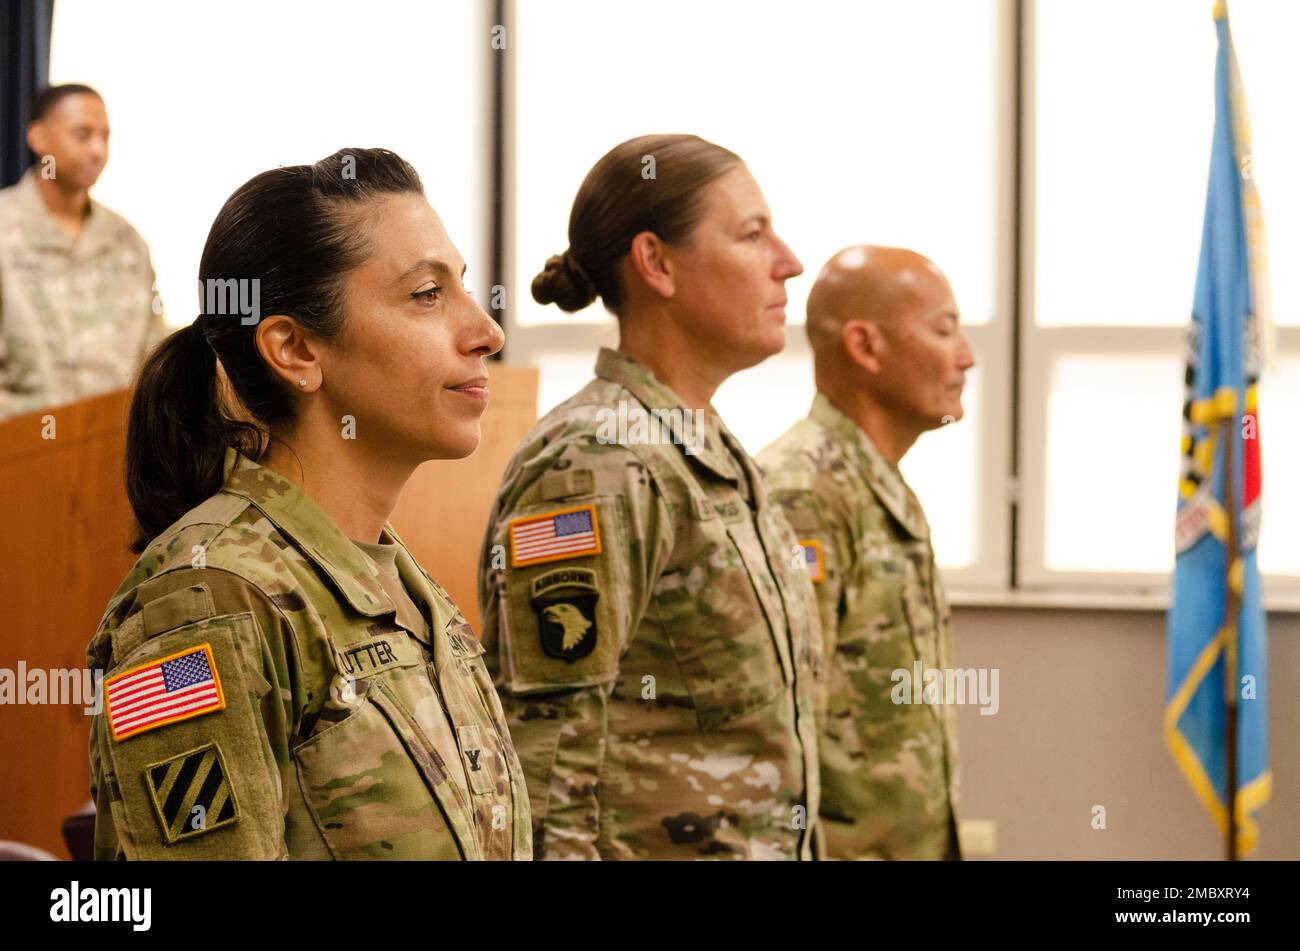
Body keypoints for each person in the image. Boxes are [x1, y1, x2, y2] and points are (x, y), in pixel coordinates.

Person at [86, 147, 530, 860]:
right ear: (294, 348)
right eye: (426, 294)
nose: (486, 330)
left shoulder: (402, 584)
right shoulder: (205, 602)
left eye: (465, 288)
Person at [478, 133, 824, 860]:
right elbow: (546, 763)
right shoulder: (595, 461)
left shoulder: (712, 450)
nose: (788, 261)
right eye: (752, 234)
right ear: (657, 262)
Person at [758, 245, 975, 860]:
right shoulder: (804, 493)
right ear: (866, 346)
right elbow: (780, 733)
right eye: (944, 330)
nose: (967, 357)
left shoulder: (873, 480)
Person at [0, 84, 166, 421]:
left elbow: (153, 354)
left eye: (105, 137)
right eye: (82, 135)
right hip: (20, 452)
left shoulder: (126, 241)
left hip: (115, 452)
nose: (97, 150)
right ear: (39, 138)